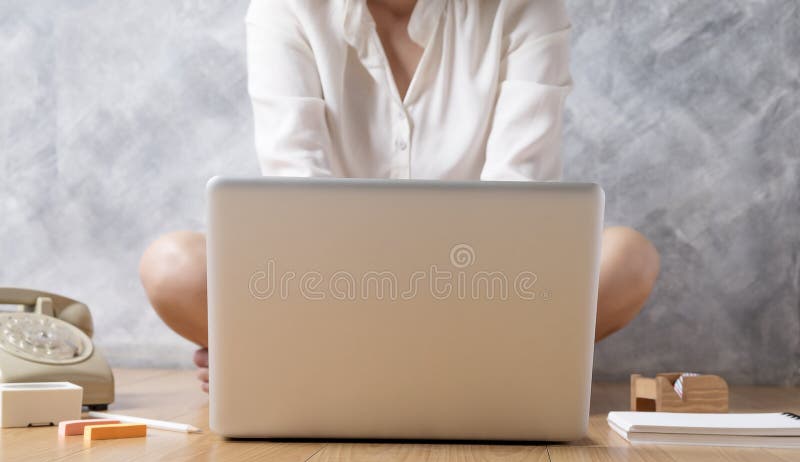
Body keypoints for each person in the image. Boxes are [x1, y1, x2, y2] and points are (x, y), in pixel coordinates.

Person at [140, 0, 660, 393]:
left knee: (627, 260)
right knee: (173, 266)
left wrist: (265, 353)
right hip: (327, 295)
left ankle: (313, 375)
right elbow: (298, 203)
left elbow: (517, 206)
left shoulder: (527, 7)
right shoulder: (286, 8)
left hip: (480, 297)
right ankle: (470, 380)